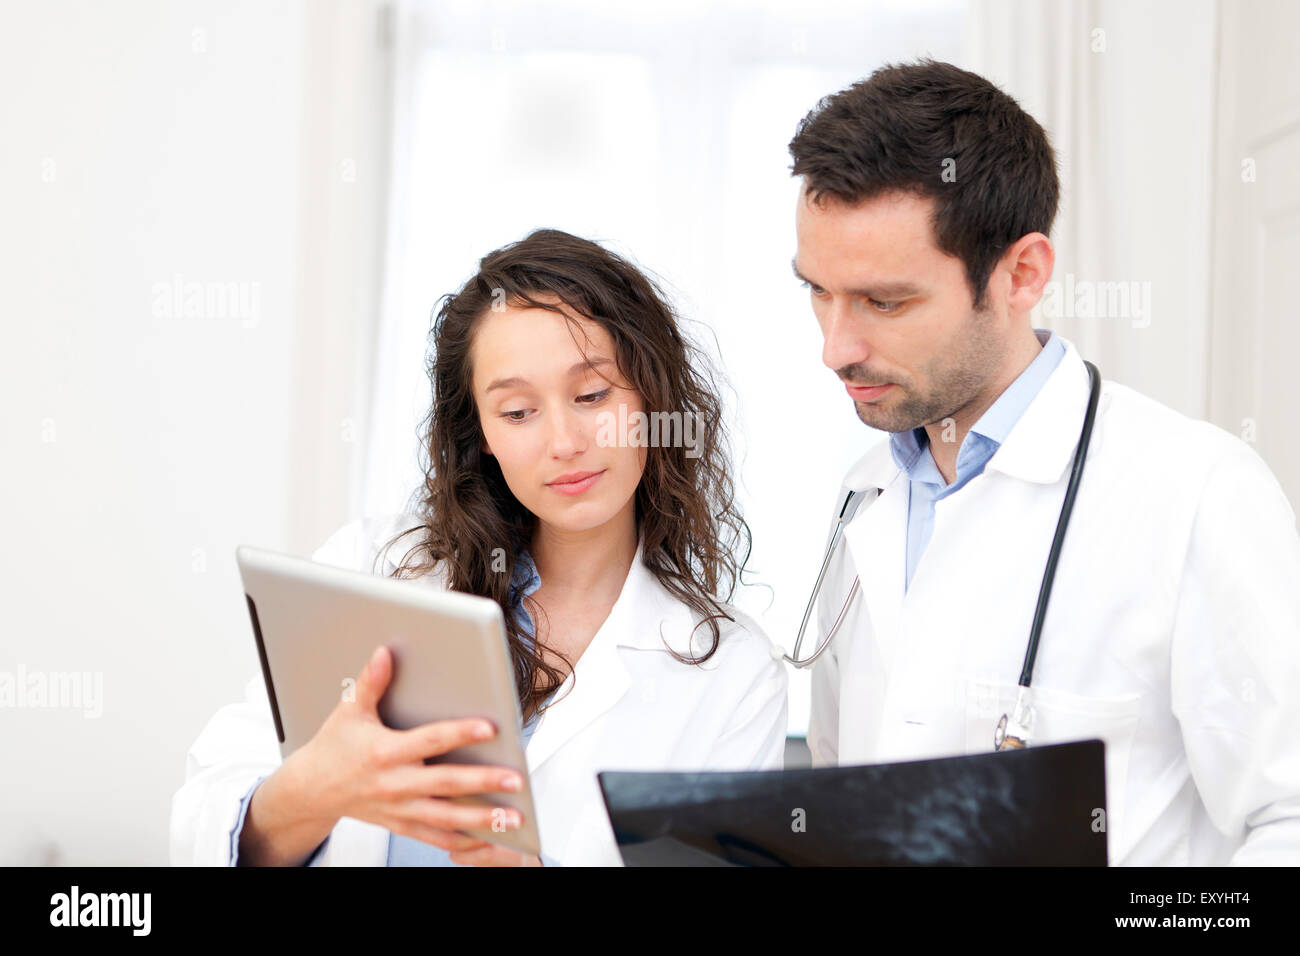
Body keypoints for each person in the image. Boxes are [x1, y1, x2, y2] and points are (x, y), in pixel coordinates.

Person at [791, 60, 1300, 865]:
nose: (835, 347)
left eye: (884, 301)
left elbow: (1288, 822)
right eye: (818, 290)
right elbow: (837, 787)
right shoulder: (867, 494)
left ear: (1022, 274)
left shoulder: (1198, 495)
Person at [170, 228, 787, 867]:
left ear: (653, 398)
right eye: (518, 411)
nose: (565, 442)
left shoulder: (733, 678)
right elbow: (204, 821)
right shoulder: (372, 568)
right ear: (483, 434)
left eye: (593, 395)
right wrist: (312, 789)